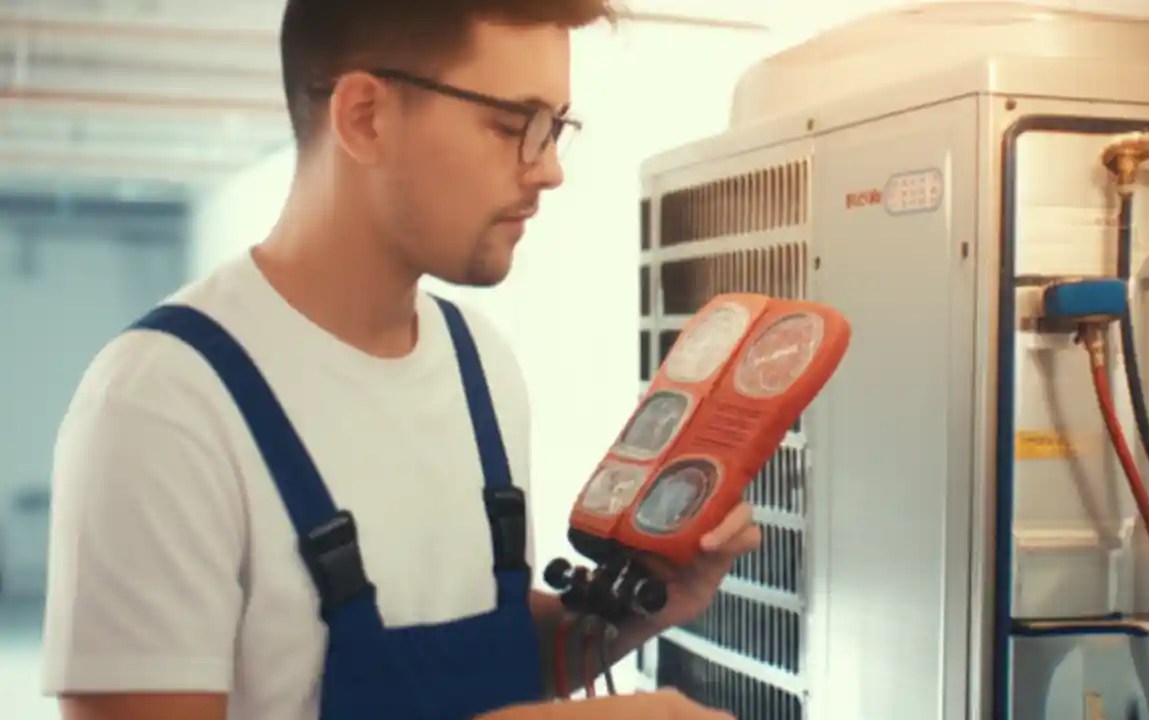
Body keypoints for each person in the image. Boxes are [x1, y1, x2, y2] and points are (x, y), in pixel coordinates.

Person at [39, 1, 760, 719]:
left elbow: (488, 661)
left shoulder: (482, 366)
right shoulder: (162, 404)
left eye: (555, 128)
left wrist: (642, 601)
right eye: (514, 124)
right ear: (365, 118)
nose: (548, 170)